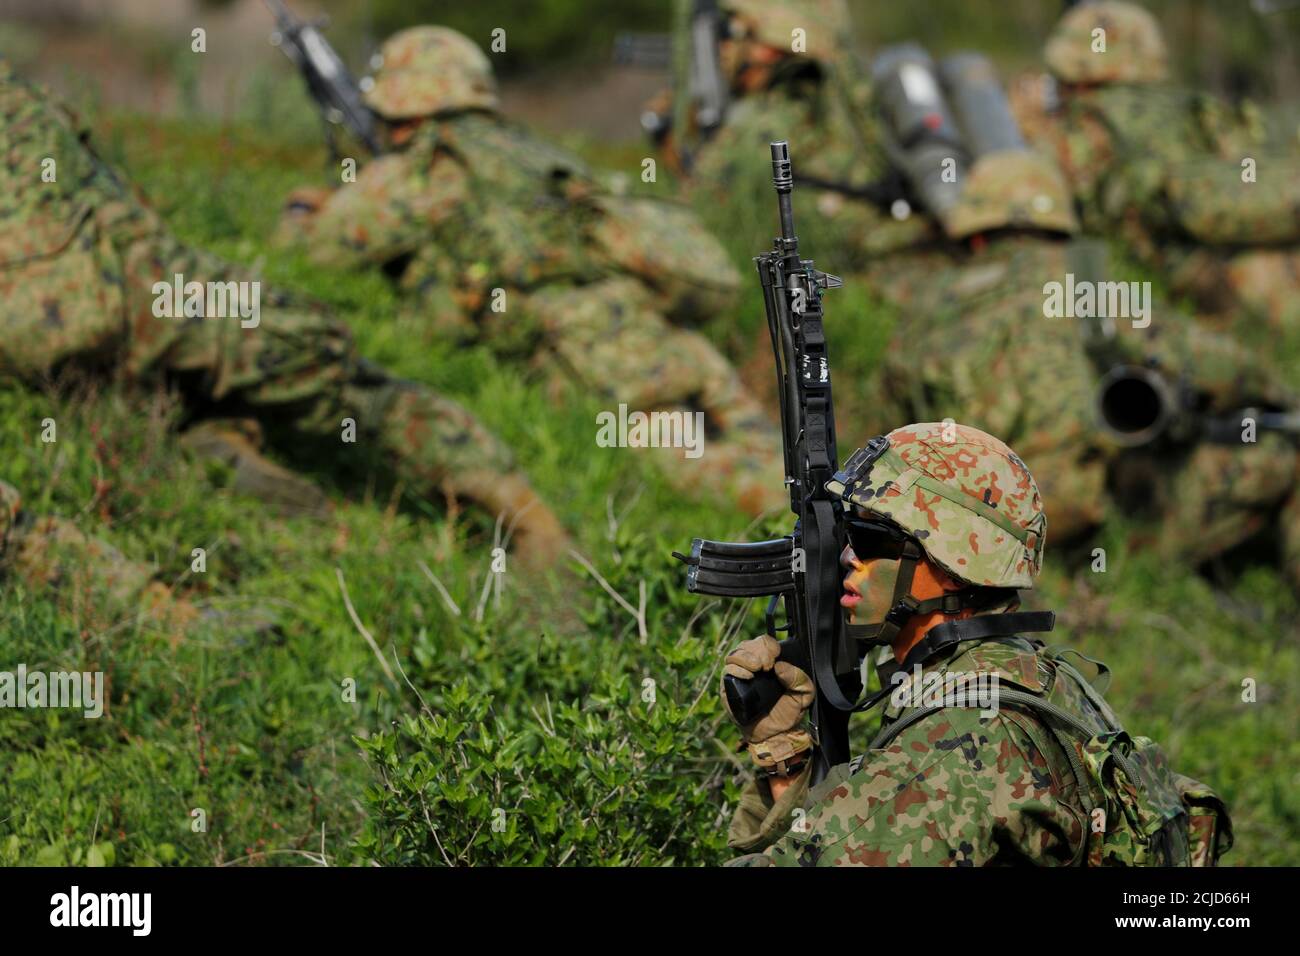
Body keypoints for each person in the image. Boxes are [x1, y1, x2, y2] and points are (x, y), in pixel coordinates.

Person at [0, 58, 565, 564]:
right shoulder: (23, 102)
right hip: (150, 294)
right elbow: (119, 212)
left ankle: (212, 445)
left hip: (20, 335)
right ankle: (532, 521)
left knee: (125, 389)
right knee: (333, 365)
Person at [279, 26, 783, 515]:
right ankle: (842, 523)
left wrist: (305, 210)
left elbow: (311, 256)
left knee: (718, 483)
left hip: (594, 361)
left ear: (397, 105)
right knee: (786, 466)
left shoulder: (425, 169)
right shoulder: (521, 150)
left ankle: (844, 548)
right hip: (662, 327)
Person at [723, 421, 1233, 866]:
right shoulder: (1038, 676)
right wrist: (783, 752)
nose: (849, 558)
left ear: (951, 566)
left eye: (871, 538)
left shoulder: (955, 743)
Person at [1013, 0, 1300, 335]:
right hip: (1256, 281)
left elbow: (1029, 204)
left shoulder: (1077, 126)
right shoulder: (1187, 108)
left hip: (1171, 297)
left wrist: (1024, 127)